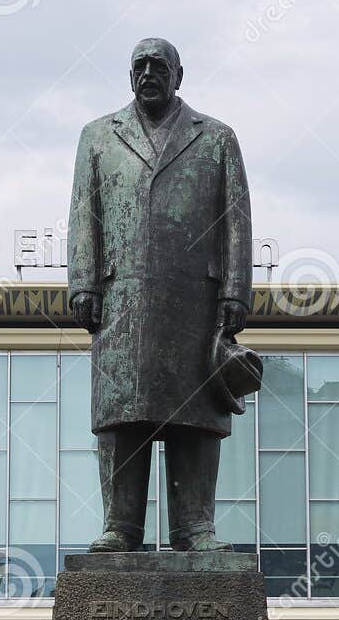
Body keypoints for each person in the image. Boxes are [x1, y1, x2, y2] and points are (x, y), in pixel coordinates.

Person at [68, 37, 256, 551]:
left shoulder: (216, 137)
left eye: (158, 65)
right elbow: (84, 215)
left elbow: (235, 219)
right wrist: (83, 282)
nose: (148, 73)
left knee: (194, 416)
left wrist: (237, 291)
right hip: (120, 299)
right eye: (139, 66)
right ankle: (120, 527)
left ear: (179, 73)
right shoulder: (98, 137)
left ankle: (195, 526)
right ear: (130, 75)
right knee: (123, 414)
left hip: (195, 299)